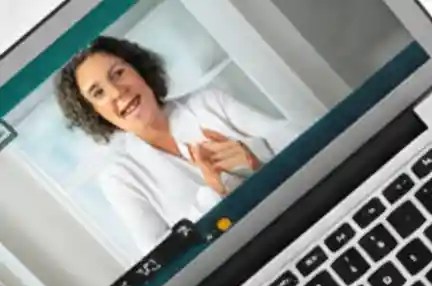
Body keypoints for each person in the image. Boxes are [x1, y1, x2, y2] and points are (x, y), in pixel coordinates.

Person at [55, 36, 305, 252]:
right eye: (98, 93)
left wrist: (256, 156)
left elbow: (303, 137)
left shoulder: (209, 103)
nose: (117, 92)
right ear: (93, 112)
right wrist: (213, 193)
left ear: (138, 69)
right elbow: (162, 259)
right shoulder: (118, 178)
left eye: (118, 73)